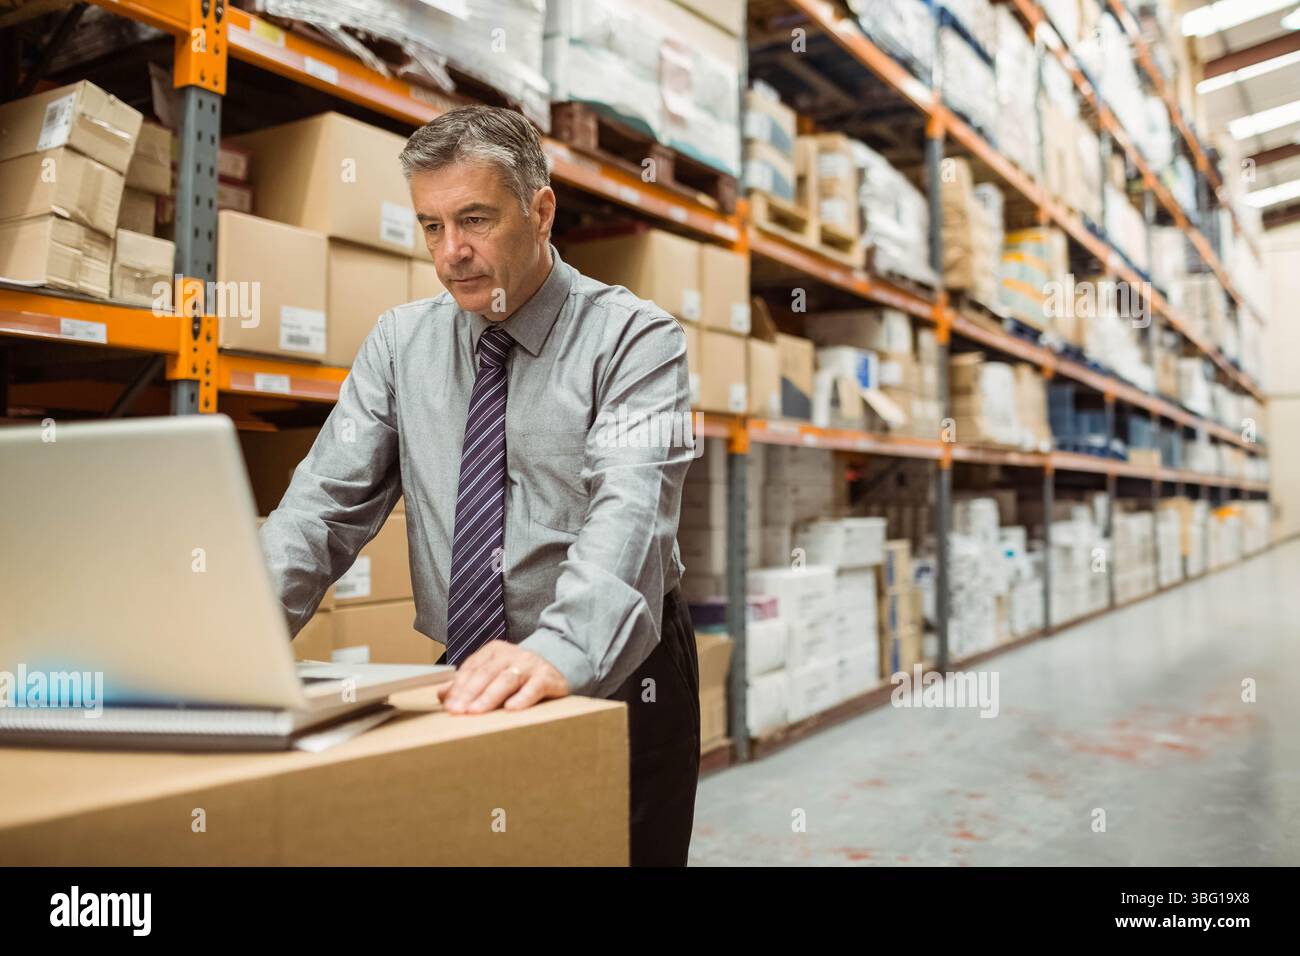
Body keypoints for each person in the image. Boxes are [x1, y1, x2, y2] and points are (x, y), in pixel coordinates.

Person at [257, 105, 700, 866]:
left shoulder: (636, 341)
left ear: (541, 210)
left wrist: (563, 651)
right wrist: (236, 636)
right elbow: (319, 510)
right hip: (470, 671)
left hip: (619, 664)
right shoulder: (402, 345)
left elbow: (630, 511)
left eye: (474, 220)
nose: (452, 252)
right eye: (431, 226)